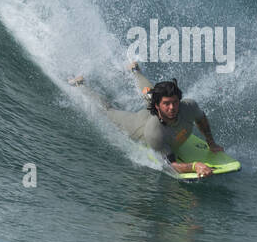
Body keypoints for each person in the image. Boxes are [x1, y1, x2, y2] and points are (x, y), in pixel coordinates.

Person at [68, 62, 225, 177]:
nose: (172, 108)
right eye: (167, 104)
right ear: (157, 106)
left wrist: (211, 142)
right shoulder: (154, 132)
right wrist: (194, 166)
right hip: (139, 125)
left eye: (175, 102)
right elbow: (171, 165)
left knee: (151, 93)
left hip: (156, 112)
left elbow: (201, 119)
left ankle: (134, 70)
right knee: (108, 111)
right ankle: (81, 86)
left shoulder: (188, 106)